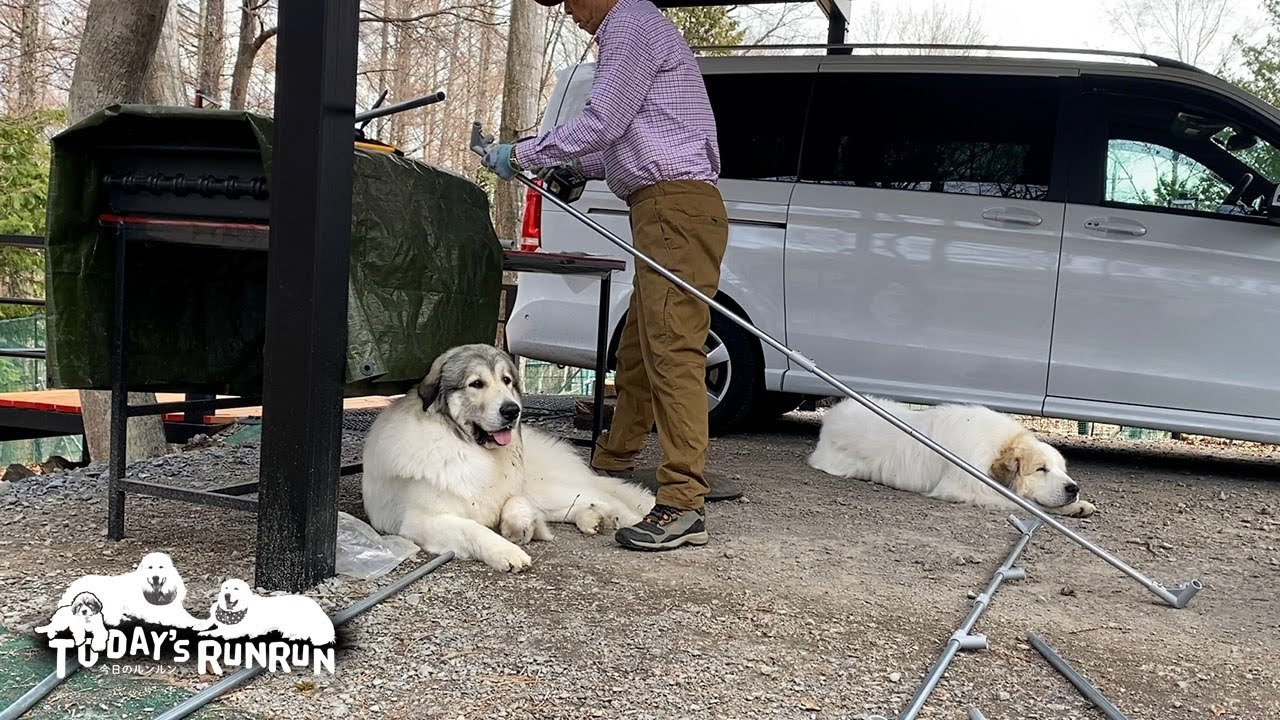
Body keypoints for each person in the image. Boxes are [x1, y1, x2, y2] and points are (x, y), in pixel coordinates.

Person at [480, 0, 728, 552]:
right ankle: (612, 466)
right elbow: (627, 137)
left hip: (673, 208)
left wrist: (524, 153)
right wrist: (567, 166)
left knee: (672, 348)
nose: (568, 11)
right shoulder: (635, 27)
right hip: (664, 207)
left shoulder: (631, 21)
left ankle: (684, 501)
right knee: (640, 348)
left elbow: (604, 123)